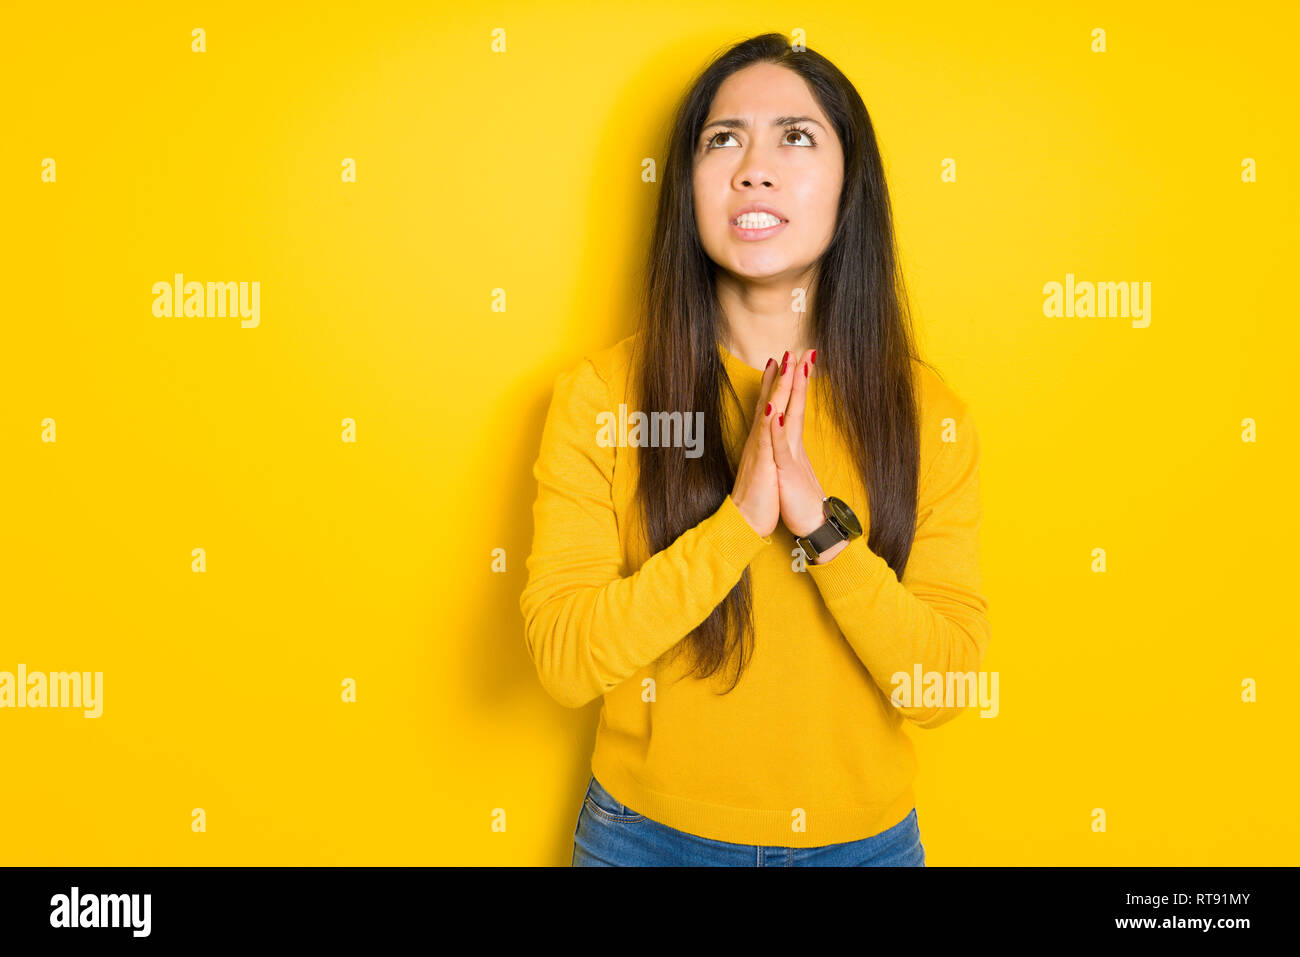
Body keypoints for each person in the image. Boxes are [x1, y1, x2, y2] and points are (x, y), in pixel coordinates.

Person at [519, 33, 991, 866]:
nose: (753, 168)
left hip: (864, 848)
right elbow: (563, 660)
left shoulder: (929, 413)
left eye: (796, 136)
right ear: (689, 187)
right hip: (645, 840)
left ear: (852, 188)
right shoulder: (604, 397)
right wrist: (741, 519)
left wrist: (822, 527)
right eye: (723, 139)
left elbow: (947, 681)